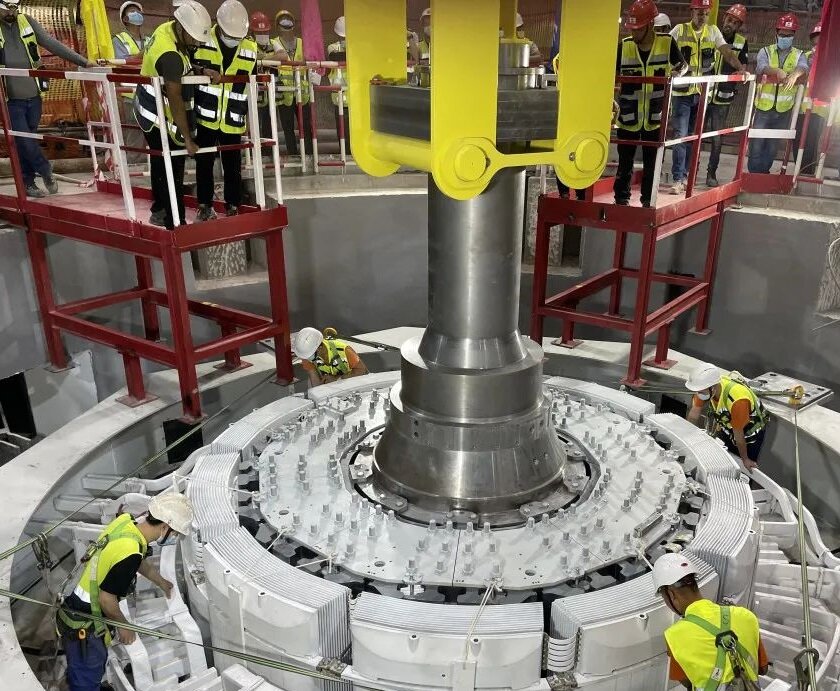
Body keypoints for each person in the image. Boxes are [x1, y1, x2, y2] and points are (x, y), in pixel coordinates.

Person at [58, 493, 194, 691]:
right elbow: (106, 599)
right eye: (175, 533)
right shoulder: (130, 552)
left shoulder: (126, 524)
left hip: (78, 601)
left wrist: (162, 582)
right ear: (165, 527)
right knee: (88, 670)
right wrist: (124, 626)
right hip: (86, 619)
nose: (174, 538)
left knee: (85, 667)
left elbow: (137, 561)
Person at [0, 0, 96, 198]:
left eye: (14, 7)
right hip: (10, 99)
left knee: (27, 142)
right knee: (24, 140)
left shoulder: (26, 22)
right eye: (8, 8)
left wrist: (83, 62)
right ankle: (45, 170)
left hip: (34, 96)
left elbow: (53, 44)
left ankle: (28, 183)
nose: (12, 12)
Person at [134, 0, 211, 229]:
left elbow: (182, 66)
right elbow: (176, 99)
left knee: (162, 162)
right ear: (181, 28)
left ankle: (159, 210)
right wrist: (187, 139)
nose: (197, 42)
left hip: (154, 107)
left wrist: (201, 70)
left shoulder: (167, 29)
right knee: (171, 165)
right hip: (155, 113)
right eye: (194, 37)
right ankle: (174, 221)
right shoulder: (169, 55)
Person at [653, 553, 770, 690]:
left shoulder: (674, 636)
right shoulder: (746, 616)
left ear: (671, 594)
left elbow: (687, 682)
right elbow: (763, 669)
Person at [669, 0, 746, 195]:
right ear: (692, 11)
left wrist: (741, 68)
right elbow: (664, 49)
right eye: (699, 12)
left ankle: (685, 175)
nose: (702, 16)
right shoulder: (679, 30)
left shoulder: (712, 32)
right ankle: (678, 179)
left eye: (705, 13)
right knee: (680, 136)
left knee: (693, 138)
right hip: (682, 93)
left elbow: (727, 53)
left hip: (701, 94)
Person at [615, 0, 684, 208]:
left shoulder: (667, 43)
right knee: (624, 162)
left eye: (638, 29)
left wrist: (676, 74)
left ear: (650, 26)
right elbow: (609, 75)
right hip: (628, 116)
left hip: (656, 116)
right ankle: (621, 199)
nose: (634, 34)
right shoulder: (624, 47)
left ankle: (648, 200)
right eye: (632, 29)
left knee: (652, 163)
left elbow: (682, 65)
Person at [193, 0, 255, 221]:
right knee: (204, 162)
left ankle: (233, 205)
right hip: (206, 116)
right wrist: (201, 69)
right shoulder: (201, 39)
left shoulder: (250, 48)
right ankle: (204, 205)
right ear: (218, 25)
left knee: (233, 165)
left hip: (233, 117)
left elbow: (254, 79)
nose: (233, 40)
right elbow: (188, 66)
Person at [748, 13, 808, 175]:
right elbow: (761, 67)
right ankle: (754, 174)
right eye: (782, 35)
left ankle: (764, 173)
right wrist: (777, 71)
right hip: (763, 108)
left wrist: (795, 74)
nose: (785, 38)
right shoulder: (765, 51)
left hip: (783, 109)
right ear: (776, 33)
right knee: (757, 143)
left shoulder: (798, 55)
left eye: (788, 36)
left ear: (794, 36)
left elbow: (804, 67)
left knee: (773, 144)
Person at [684, 363, 769, 472]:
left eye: (701, 391)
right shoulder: (705, 389)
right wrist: (688, 440)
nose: (698, 394)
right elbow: (694, 414)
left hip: (749, 433)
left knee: (742, 467)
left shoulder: (737, 400)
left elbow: (739, 435)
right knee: (725, 459)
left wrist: (745, 459)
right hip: (729, 426)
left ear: (713, 388)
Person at [705, 4, 749, 188]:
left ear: (739, 26)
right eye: (729, 19)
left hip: (722, 98)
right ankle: (685, 173)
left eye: (735, 22)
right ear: (724, 18)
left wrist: (743, 72)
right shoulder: (711, 34)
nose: (730, 24)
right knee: (693, 135)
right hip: (702, 94)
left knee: (717, 138)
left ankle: (711, 174)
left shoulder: (741, 42)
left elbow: (743, 66)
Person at [270, 10, 313, 159]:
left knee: (306, 126)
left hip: (303, 93)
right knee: (287, 127)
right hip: (285, 92)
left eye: (288, 20)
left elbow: (311, 61)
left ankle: (308, 154)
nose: (286, 23)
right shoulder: (274, 43)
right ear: (277, 25)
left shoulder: (302, 42)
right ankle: (293, 156)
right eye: (283, 21)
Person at [294, 327, 368, 387]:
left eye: (309, 356)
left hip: (352, 383)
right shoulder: (307, 354)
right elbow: (315, 382)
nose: (307, 359)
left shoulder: (344, 350)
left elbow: (362, 370)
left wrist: (337, 379)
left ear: (319, 348)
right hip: (329, 385)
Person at [797, 24, 825, 176]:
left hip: (819, 108)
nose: (816, 46)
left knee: (812, 142)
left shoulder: (829, 60)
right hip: (801, 107)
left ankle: (807, 173)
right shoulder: (806, 57)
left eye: (820, 42)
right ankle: (799, 170)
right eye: (815, 43)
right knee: (797, 140)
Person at [327, 16, 351, 156]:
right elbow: (335, 57)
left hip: (356, 99)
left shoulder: (357, 46)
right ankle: (345, 156)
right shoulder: (332, 47)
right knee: (342, 134)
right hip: (340, 100)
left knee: (357, 133)